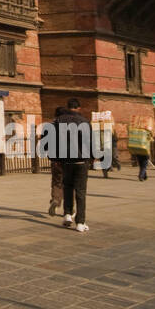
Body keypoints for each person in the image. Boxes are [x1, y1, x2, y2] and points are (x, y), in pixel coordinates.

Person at [53, 99, 91, 232]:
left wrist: (56, 158)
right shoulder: (85, 121)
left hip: (66, 160)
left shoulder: (59, 121)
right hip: (81, 160)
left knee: (67, 187)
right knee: (80, 191)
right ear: (79, 108)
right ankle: (80, 222)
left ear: (67, 107)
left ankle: (67, 214)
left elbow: (54, 141)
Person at [48, 106, 67, 216]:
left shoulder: (50, 126)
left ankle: (55, 199)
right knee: (69, 183)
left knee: (56, 181)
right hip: (69, 159)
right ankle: (69, 208)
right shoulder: (70, 126)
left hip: (55, 159)